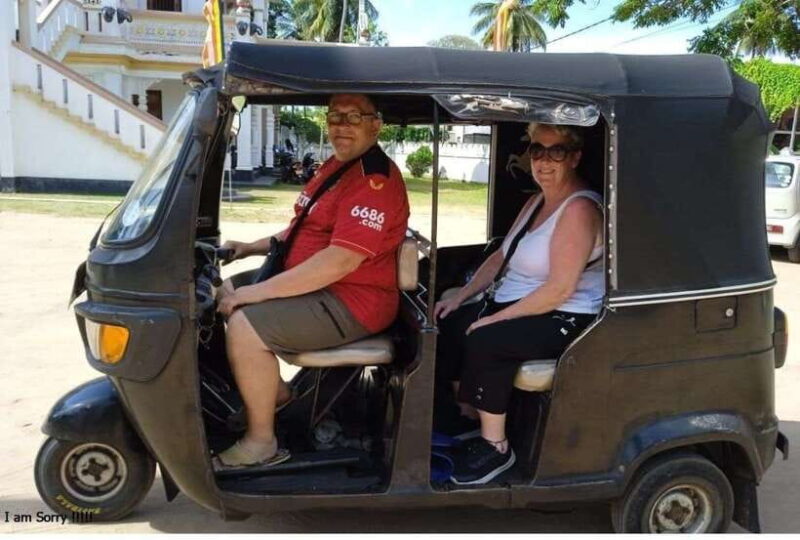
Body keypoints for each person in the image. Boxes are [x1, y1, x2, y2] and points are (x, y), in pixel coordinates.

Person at [214, 94, 410, 469]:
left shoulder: (374, 181)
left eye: (353, 117)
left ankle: (261, 441)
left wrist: (256, 293)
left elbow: (340, 261)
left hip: (354, 300)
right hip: (324, 288)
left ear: (375, 125)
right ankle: (279, 396)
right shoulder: (337, 165)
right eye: (335, 116)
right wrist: (251, 248)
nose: (341, 125)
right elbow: (304, 228)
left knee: (244, 325)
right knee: (224, 289)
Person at [433, 122, 604, 485]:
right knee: (447, 322)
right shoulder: (536, 201)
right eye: (537, 151)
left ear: (574, 157)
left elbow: (559, 289)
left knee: (487, 339)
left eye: (555, 151)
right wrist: (462, 297)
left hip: (566, 313)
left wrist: (496, 320)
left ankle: (496, 447)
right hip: (525, 300)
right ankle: (466, 419)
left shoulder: (579, 210)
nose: (543, 161)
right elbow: (500, 257)